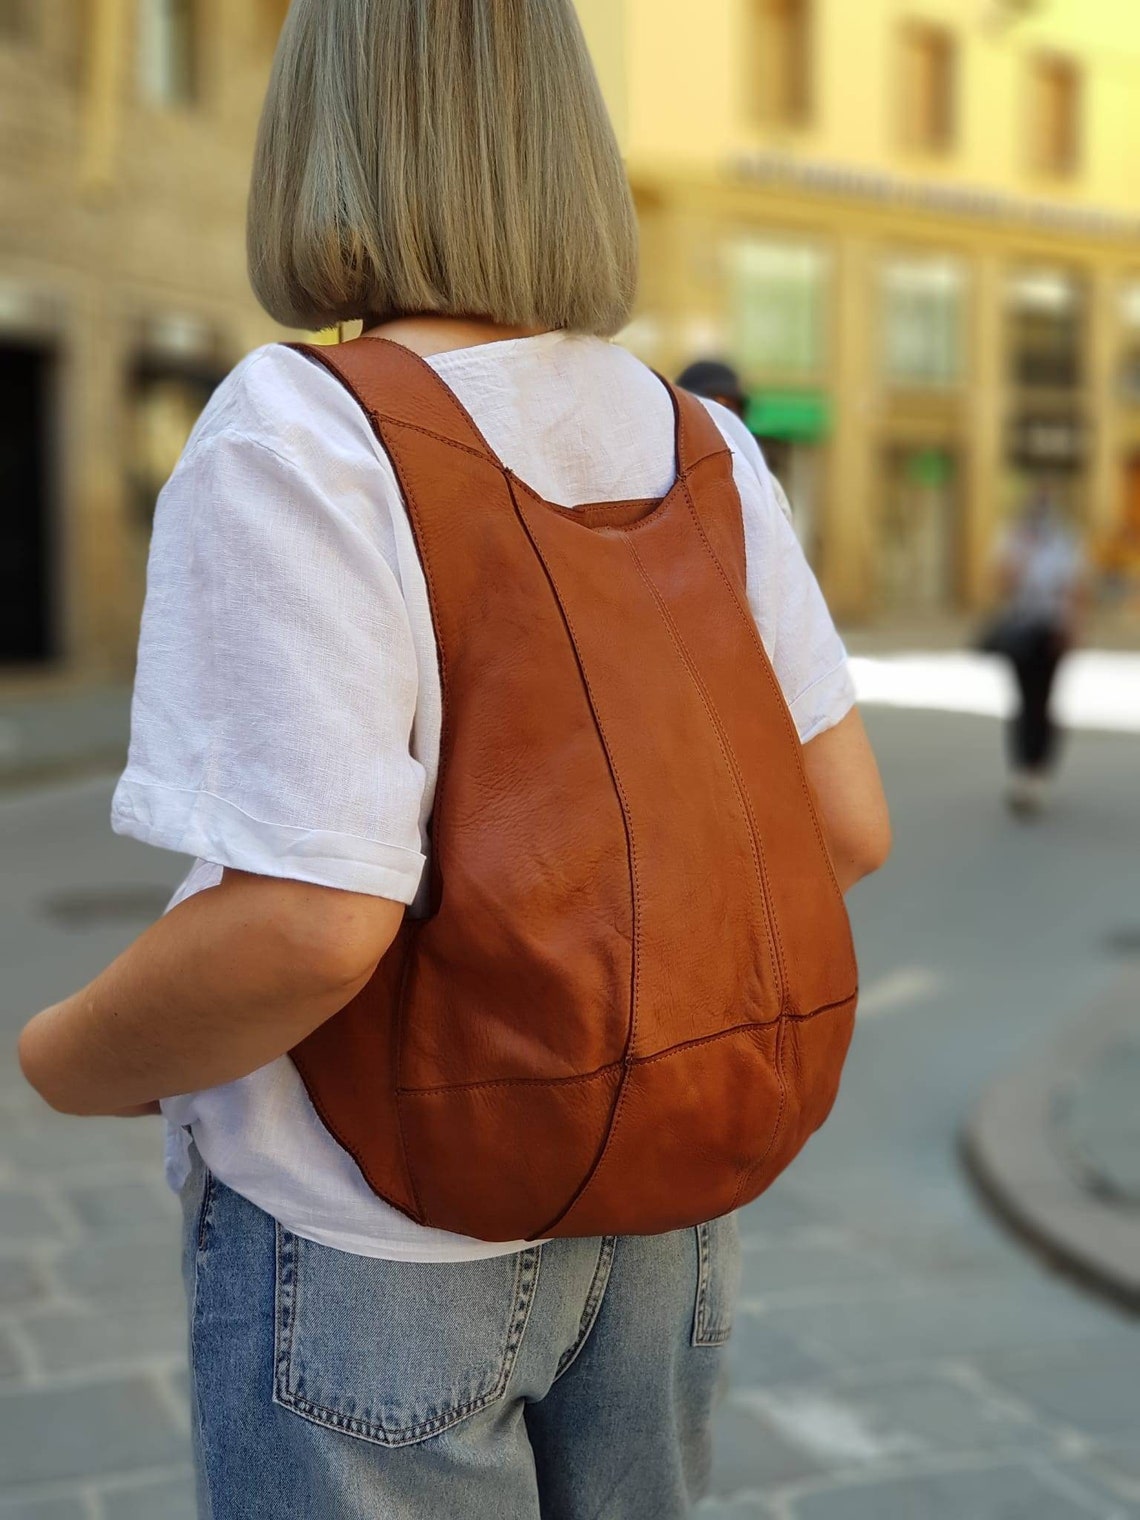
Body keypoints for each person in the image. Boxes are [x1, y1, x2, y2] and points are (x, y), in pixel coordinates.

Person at [17, 2, 891, 1515]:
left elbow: (305, 922)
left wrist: (65, 1056)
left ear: (324, 134)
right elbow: (850, 827)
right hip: (667, 1213)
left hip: (378, 1242)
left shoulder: (303, 429)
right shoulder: (698, 444)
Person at [991, 489, 1087, 816]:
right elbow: (1001, 580)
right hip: (1022, 629)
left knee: (1044, 700)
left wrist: (1072, 628)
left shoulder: (1066, 540)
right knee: (1023, 700)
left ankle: (1038, 769)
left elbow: (1076, 586)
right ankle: (1022, 771)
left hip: (1051, 631)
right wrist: (1020, 559)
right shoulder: (1013, 538)